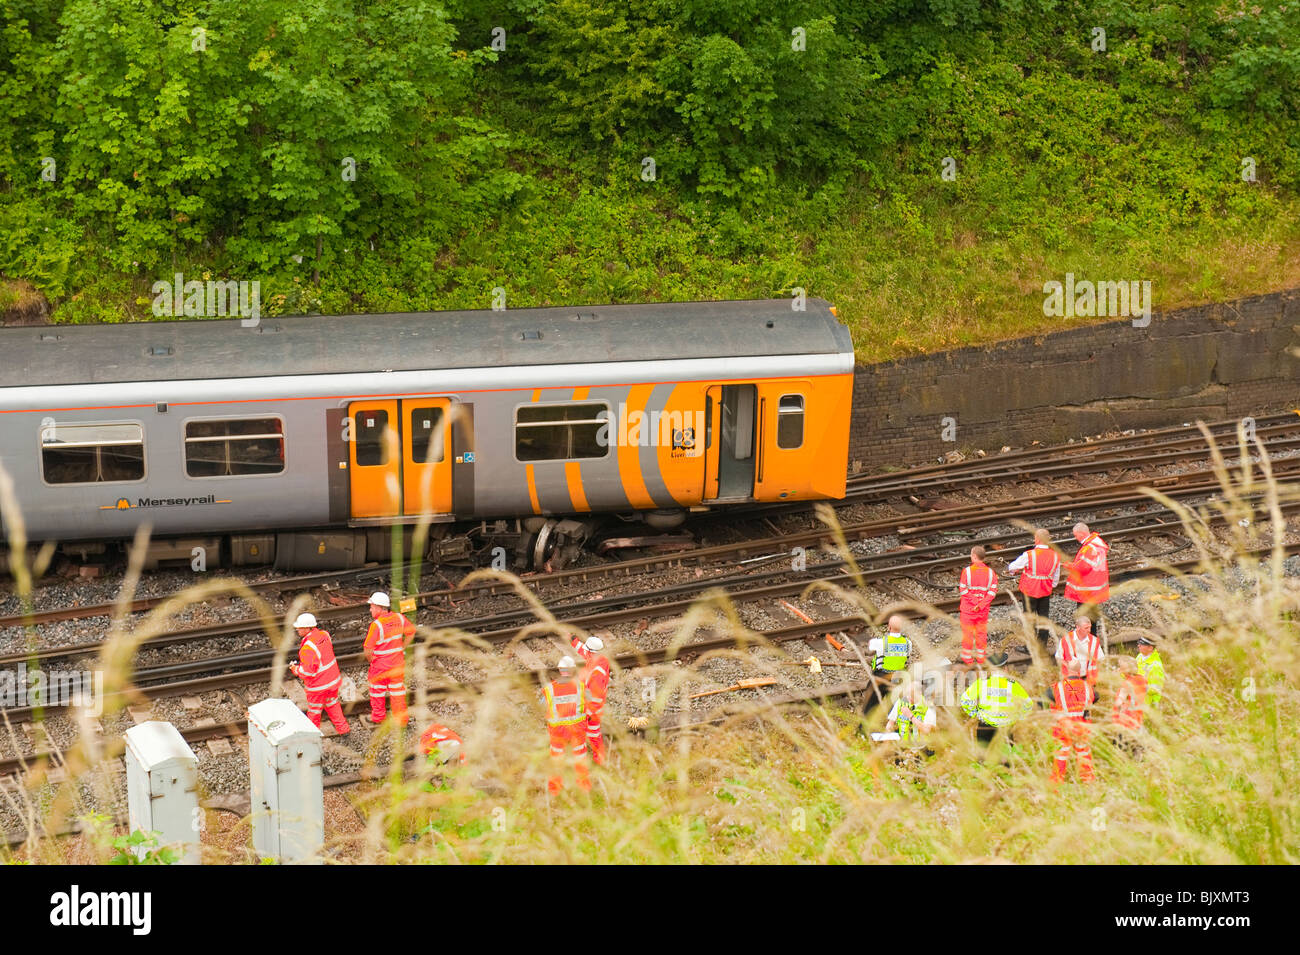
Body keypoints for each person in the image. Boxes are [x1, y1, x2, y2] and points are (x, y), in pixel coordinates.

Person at [288, 612, 350, 736]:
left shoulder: (307, 648)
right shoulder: (325, 635)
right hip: (332, 681)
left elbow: (308, 672)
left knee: (314, 712)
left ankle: (312, 736)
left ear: (307, 628)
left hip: (318, 687)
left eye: (299, 627)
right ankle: (344, 729)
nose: (297, 629)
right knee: (333, 704)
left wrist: (295, 669)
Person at [363, 591, 416, 727]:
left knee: (377, 692)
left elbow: (368, 649)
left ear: (380, 608)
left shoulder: (377, 626)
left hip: (380, 667)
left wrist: (372, 660)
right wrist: (402, 647)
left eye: (372, 606)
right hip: (397, 664)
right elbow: (411, 632)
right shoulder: (399, 618)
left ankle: (378, 717)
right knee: (397, 692)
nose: (370, 609)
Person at [543, 657, 591, 793]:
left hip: (558, 730)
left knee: (557, 758)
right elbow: (591, 701)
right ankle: (583, 787)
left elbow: (542, 705)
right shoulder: (581, 686)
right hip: (577, 729)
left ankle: (554, 789)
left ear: (560, 669)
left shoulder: (549, 689)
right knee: (580, 757)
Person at [1006, 528, 1060, 647]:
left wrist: (1015, 571)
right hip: (1045, 590)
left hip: (1029, 590)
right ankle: (1042, 645)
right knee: (1043, 617)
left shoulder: (1029, 554)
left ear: (1038, 539)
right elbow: (1055, 579)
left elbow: (1012, 567)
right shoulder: (1055, 556)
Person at [1050, 658, 1095, 782]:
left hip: (1064, 726)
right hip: (1082, 726)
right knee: (1084, 753)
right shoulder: (1088, 687)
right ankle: (1088, 782)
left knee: (1061, 755)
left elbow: (1044, 699)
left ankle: (1056, 783)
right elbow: (1096, 697)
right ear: (1080, 671)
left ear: (1066, 670)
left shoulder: (1057, 687)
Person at [959, 653, 1033, 728]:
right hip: (1006, 727)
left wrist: (975, 714)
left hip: (985, 724)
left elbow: (965, 700)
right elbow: (1028, 704)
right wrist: (1019, 717)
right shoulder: (1013, 684)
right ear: (1005, 668)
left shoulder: (982, 682)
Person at [1064, 523, 1110, 643]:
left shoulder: (1089, 548)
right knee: (1093, 616)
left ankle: (1087, 641)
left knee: (1085, 616)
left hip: (1087, 590)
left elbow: (1082, 567)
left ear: (1081, 533)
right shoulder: (1097, 542)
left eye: (1076, 535)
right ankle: (1093, 639)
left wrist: (1070, 566)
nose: (1076, 538)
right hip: (1096, 588)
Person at [571, 634, 611, 765]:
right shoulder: (600, 659)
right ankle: (598, 760)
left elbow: (596, 698)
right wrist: (573, 640)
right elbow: (584, 651)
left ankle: (598, 761)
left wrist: (589, 713)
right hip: (590, 705)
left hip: (592, 708)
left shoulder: (597, 674)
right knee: (592, 733)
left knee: (592, 734)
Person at [958, 546, 998, 665]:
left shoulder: (967, 571)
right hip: (982, 610)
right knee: (981, 634)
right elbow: (992, 593)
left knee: (968, 634)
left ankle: (967, 659)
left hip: (968, 610)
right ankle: (981, 658)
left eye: (971, 555)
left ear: (974, 556)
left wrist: (975, 602)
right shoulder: (991, 573)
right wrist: (981, 604)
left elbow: (963, 590)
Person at [1056, 616, 1104, 686]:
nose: (1089, 630)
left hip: (1089, 680)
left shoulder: (1094, 641)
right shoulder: (1066, 640)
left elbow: (1101, 659)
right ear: (1078, 627)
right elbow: (1059, 658)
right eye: (1086, 628)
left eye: (1090, 627)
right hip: (1071, 679)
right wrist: (1070, 669)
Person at [1135, 635, 1165, 707]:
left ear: (1150, 648)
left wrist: (1137, 686)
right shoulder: (1140, 657)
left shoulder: (1156, 665)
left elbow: (1156, 688)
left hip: (1150, 702)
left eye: (1142, 644)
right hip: (1139, 697)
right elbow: (1134, 671)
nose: (1138, 645)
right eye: (1138, 643)